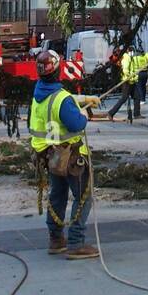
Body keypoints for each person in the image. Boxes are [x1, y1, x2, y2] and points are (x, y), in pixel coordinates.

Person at [29, 50, 98, 259]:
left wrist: (84, 98)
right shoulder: (62, 99)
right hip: (70, 157)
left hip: (50, 156)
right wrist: (84, 114)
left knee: (57, 195)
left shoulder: (39, 92)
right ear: (58, 69)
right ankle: (76, 243)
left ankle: (56, 239)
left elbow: (60, 97)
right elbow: (75, 121)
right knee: (84, 197)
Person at [105, 45, 143, 119]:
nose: (132, 52)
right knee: (124, 98)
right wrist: (129, 75)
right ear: (128, 51)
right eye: (131, 51)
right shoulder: (126, 57)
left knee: (137, 97)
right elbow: (125, 69)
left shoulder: (131, 58)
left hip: (132, 81)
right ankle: (111, 113)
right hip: (127, 81)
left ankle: (137, 114)